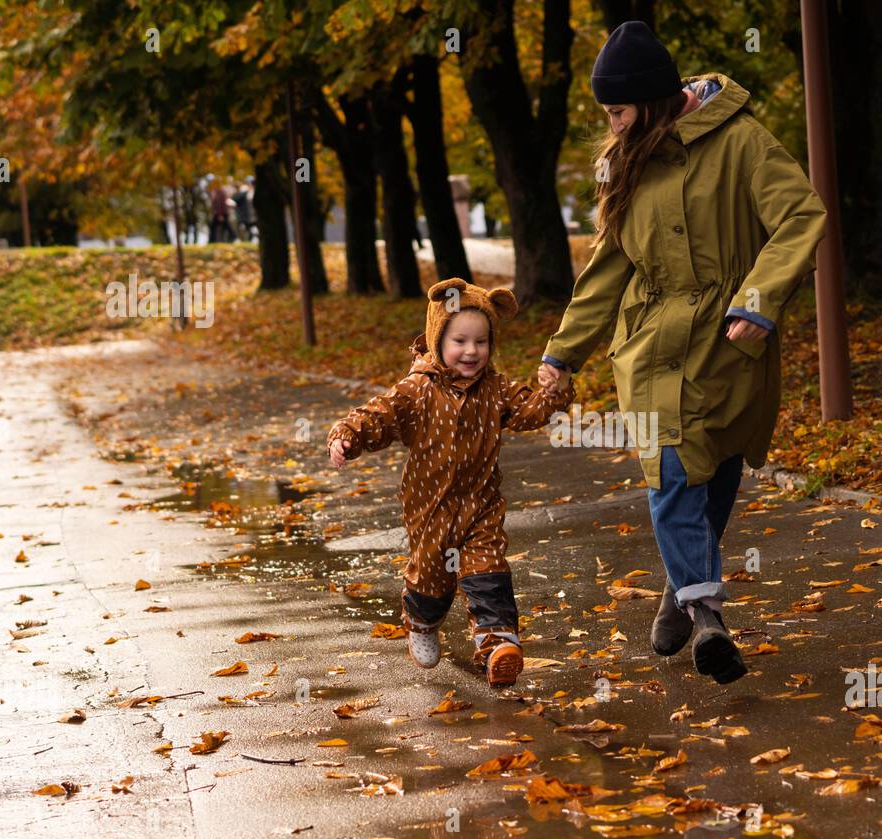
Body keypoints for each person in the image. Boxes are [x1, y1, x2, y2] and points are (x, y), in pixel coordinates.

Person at [536, 21, 828, 684]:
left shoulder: (743, 141)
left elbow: (801, 215)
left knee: (716, 472)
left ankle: (679, 588)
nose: (610, 126)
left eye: (617, 110)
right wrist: (562, 356)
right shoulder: (622, 160)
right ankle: (709, 620)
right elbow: (607, 267)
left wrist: (759, 298)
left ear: (653, 99)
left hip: (727, 343)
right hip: (647, 347)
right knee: (671, 479)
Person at [327, 279, 575, 687]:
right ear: (437, 339)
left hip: (480, 504)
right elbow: (379, 415)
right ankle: (421, 620)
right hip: (430, 508)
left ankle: (498, 645)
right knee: (432, 582)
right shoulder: (417, 389)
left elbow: (530, 412)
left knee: (488, 572)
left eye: (481, 342)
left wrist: (556, 391)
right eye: (460, 340)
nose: (472, 351)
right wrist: (347, 437)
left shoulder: (496, 388)